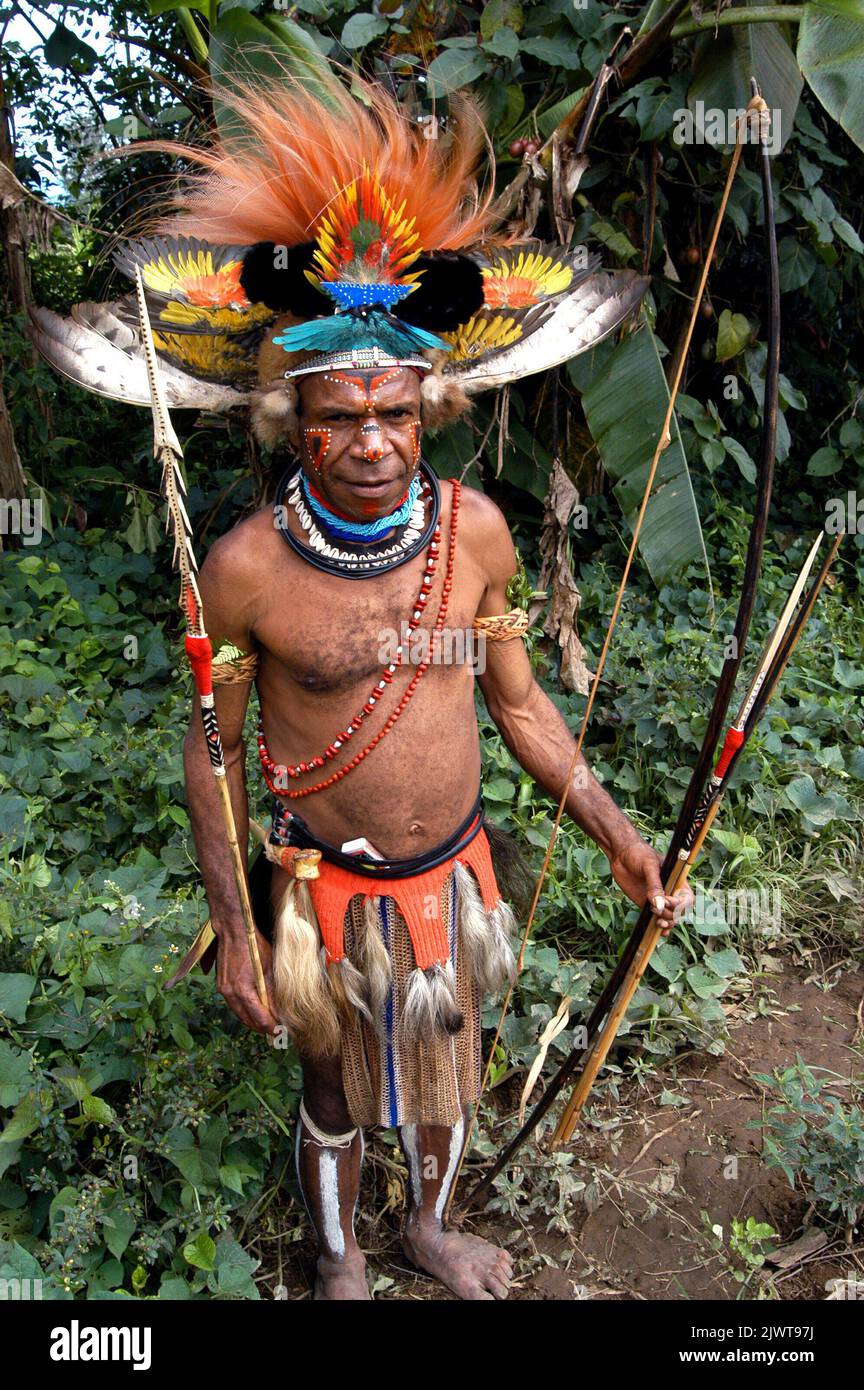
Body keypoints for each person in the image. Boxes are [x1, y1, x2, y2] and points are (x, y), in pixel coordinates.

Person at [33, 66, 690, 1300]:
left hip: (451, 880)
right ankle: (339, 1256)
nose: (372, 439)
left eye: (395, 409)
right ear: (294, 417)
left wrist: (615, 833)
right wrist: (236, 925)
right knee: (331, 1082)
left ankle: (427, 1232)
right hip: (321, 894)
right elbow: (213, 749)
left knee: (446, 1067)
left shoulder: (480, 534)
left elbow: (522, 704)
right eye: (340, 413)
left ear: (432, 405)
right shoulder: (245, 570)